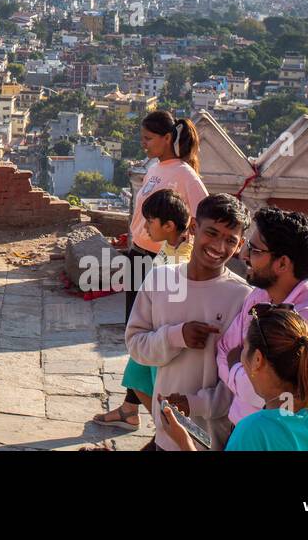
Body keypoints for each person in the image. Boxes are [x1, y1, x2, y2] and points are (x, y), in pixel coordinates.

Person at [97, 108, 208, 428]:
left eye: (148, 139)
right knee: (137, 331)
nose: (143, 144)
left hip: (160, 262)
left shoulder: (185, 175)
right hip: (140, 255)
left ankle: (158, 417)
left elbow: (206, 215)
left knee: (146, 332)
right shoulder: (157, 167)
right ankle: (134, 408)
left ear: (168, 138)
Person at [126, 192, 250, 451]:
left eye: (230, 240)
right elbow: (136, 344)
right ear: (194, 227)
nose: (218, 247)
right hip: (167, 433)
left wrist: (194, 403)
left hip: (213, 436)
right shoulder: (159, 280)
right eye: (212, 233)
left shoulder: (242, 298)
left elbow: (245, 378)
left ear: (240, 246)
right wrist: (176, 336)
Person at [161, 306, 308, 451]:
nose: (240, 355)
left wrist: (185, 443)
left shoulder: (255, 431)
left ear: (258, 359)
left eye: (244, 348)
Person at [213, 207, 308, 426]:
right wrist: (244, 372)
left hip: (281, 436)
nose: (244, 255)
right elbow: (224, 349)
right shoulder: (259, 296)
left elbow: (275, 396)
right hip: (243, 427)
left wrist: (236, 365)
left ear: (282, 263)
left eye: (255, 250)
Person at [97, 188, 193, 431]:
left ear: (169, 225)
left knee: (155, 384)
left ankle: (170, 429)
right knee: (137, 377)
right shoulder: (169, 248)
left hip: (166, 336)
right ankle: (158, 424)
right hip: (154, 333)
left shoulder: (183, 258)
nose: (145, 228)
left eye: (150, 222)